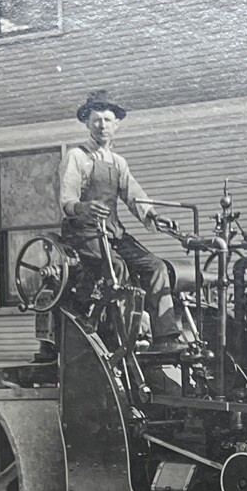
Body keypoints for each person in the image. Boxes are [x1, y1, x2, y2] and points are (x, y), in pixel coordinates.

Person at [59, 91, 184, 350]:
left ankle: (166, 338)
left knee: (156, 267)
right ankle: (126, 339)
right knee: (116, 268)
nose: (102, 125)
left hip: (112, 231)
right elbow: (67, 200)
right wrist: (83, 207)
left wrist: (153, 215)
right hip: (83, 233)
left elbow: (134, 195)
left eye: (107, 120)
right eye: (96, 120)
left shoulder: (118, 163)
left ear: (116, 124)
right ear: (87, 123)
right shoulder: (77, 156)